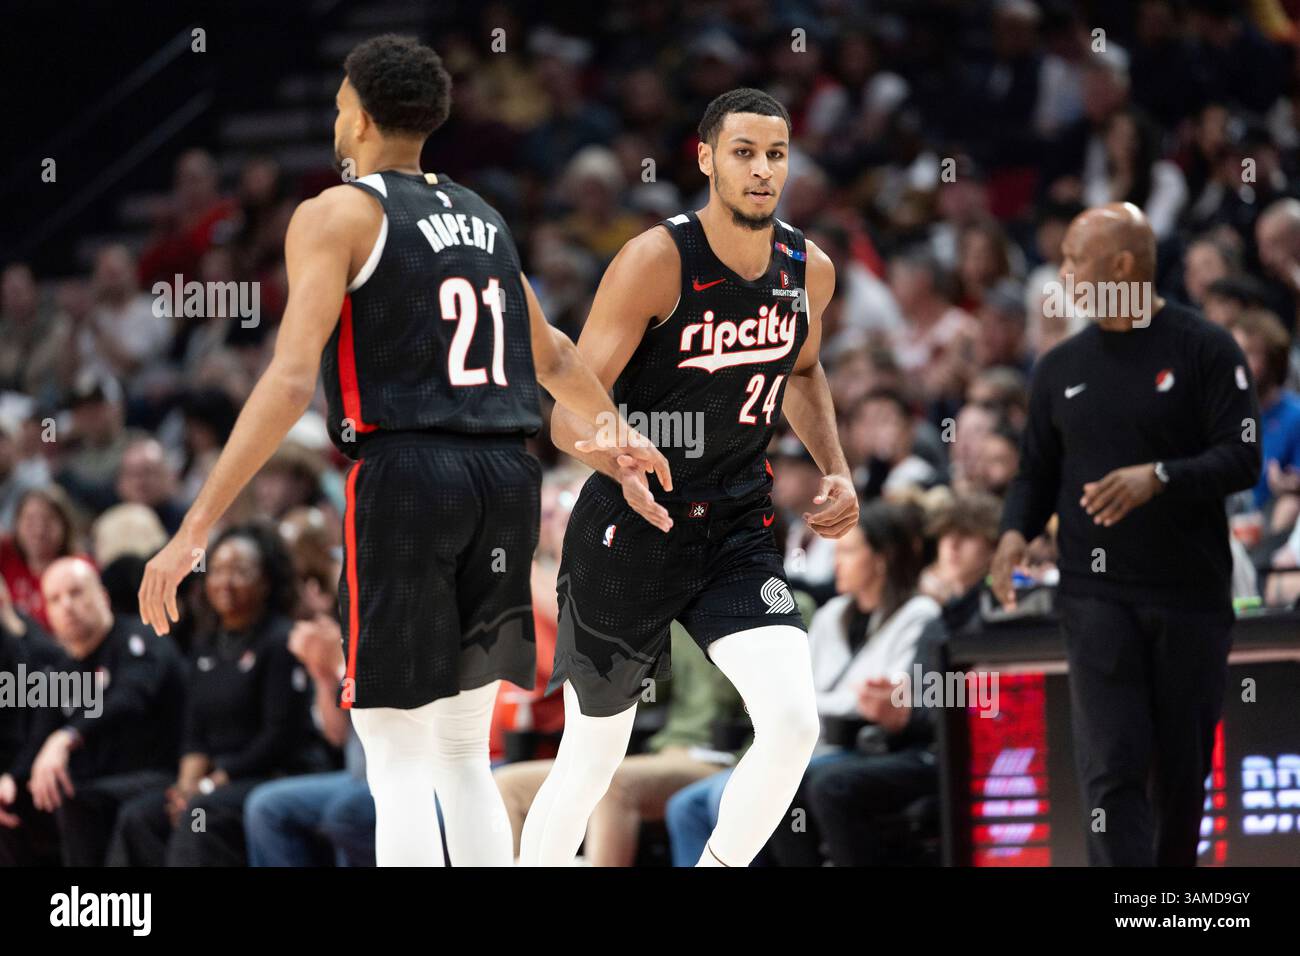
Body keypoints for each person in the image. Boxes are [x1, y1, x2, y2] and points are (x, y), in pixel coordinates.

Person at [137, 34, 667, 868]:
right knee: (462, 754)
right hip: (504, 478)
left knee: (395, 758)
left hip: (408, 480)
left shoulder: (336, 213)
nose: (335, 117)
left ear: (363, 115)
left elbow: (285, 383)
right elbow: (556, 357)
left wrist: (195, 524)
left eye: (342, 103)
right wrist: (618, 441)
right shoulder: (485, 219)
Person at [520, 88, 859, 868]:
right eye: (743, 152)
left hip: (737, 524)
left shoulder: (809, 269)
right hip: (630, 522)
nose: (762, 169)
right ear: (705, 159)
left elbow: (802, 373)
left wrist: (836, 469)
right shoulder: (654, 260)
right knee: (593, 756)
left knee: (792, 723)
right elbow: (567, 414)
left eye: (775, 154)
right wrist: (618, 449)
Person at [991, 202, 1261, 866]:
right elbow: (1034, 472)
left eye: (1074, 260)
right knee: (1111, 764)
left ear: (1120, 266)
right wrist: (1011, 535)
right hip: (1094, 596)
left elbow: (1242, 456)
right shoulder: (1058, 367)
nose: (1062, 272)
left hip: (1188, 595)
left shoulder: (1205, 348)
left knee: (1180, 775)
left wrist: (1161, 477)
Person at [110, 525, 329, 866]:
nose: (226, 580)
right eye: (219, 570)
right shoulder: (204, 646)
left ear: (266, 581)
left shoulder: (281, 641)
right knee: (141, 817)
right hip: (216, 782)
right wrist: (185, 786)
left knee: (198, 819)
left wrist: (209, 786)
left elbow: (279, 738)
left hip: (273, 773)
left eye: (240, 571)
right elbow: (194, 732)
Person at [4, 558, 186, 865]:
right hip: (95, 784)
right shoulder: (61, 671)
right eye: (55, 599)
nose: (67, 606)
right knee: (11, 806)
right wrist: (10, 778)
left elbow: (129, 699)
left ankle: (92, 908)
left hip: (156, 774)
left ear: (102, 596)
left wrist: (68, 736)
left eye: (76, 593)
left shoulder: (138, 641)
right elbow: (38, 740)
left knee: (79, 801)